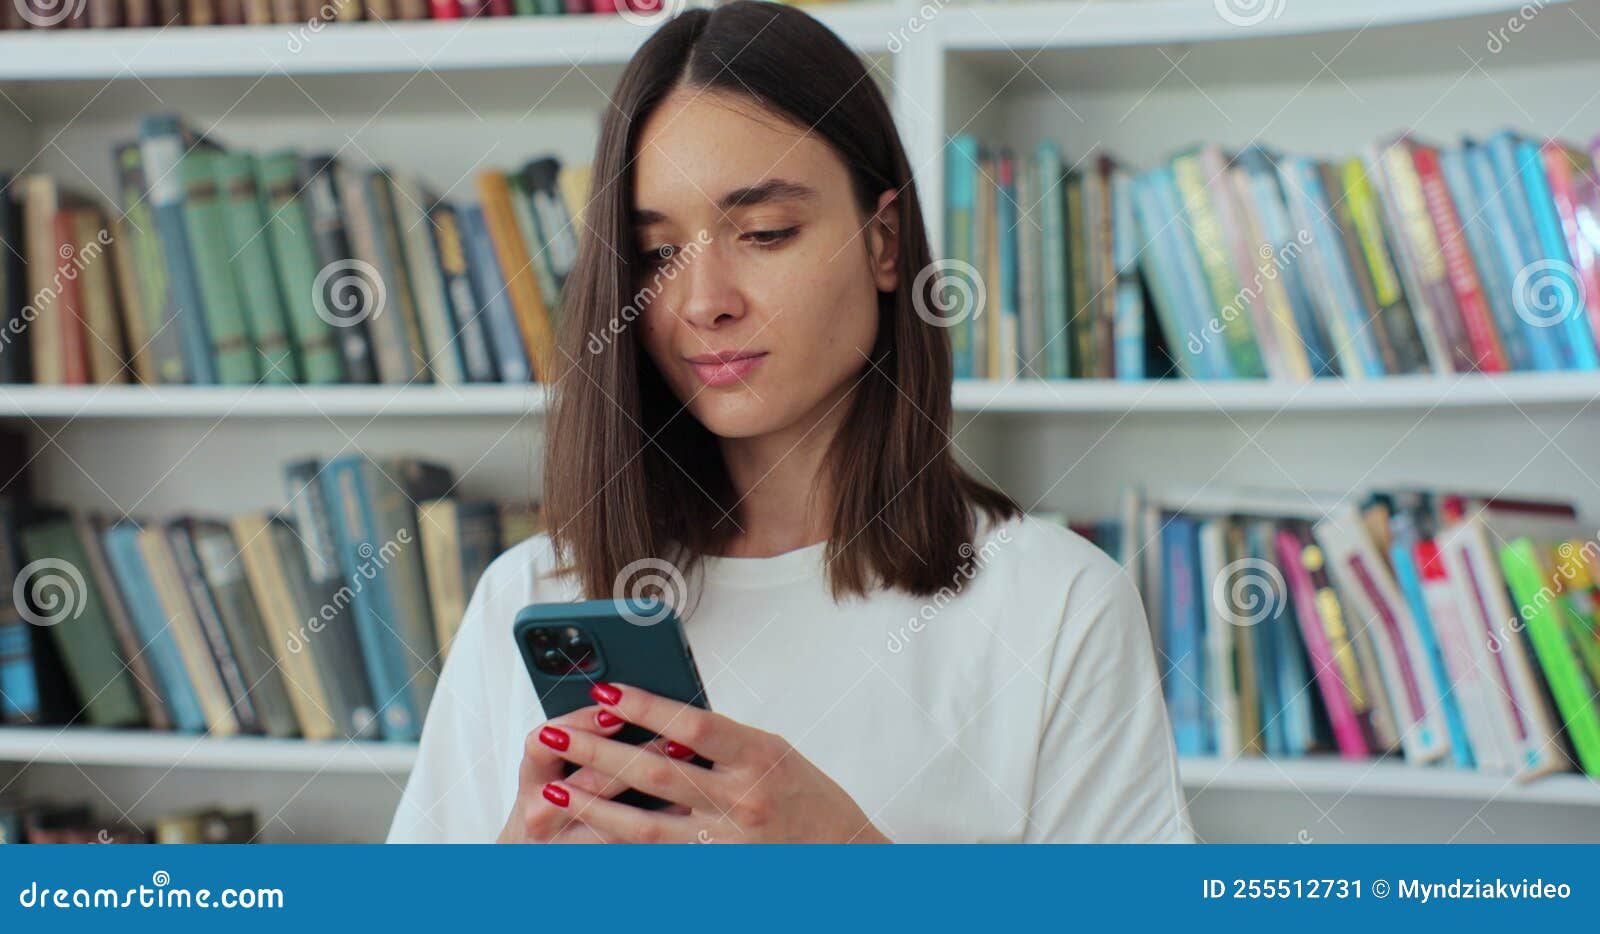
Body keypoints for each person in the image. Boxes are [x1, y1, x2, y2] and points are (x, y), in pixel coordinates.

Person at [389, 0, 1191, 844]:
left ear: (884, 244)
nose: (704, 304)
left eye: (765, 232)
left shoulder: (1056, 606)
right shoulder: (532, 595)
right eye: (658, 254)